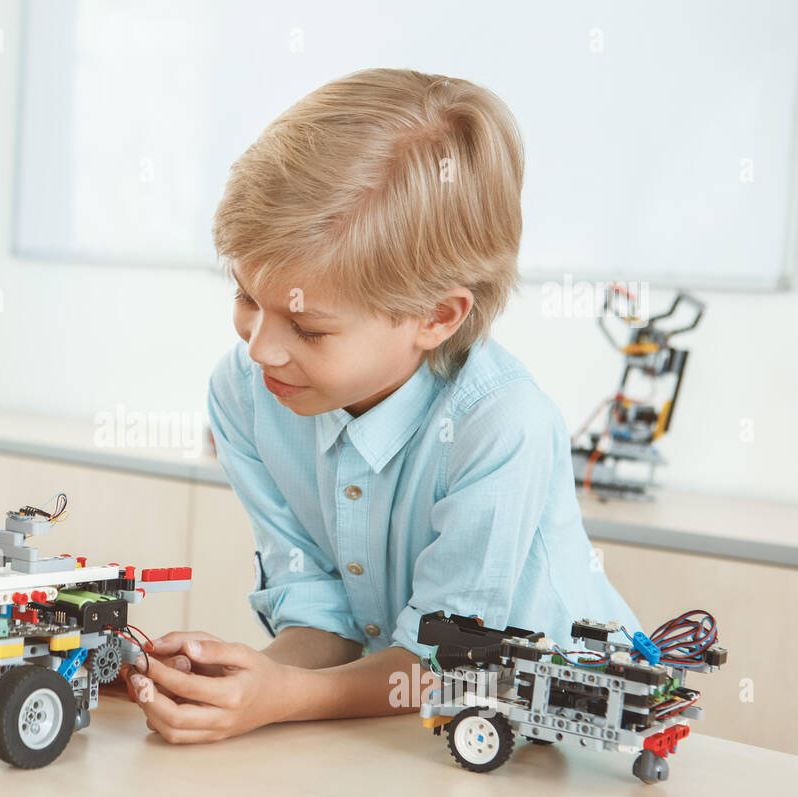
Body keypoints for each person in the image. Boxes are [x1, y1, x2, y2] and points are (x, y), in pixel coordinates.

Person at [125, 68, 642, 743]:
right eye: (247, 297)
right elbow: (320, 610)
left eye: (308, 328)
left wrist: (285, 697)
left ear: (437, 316)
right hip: (409, 733)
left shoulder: (502, 426)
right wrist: (248, 684)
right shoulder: (246, 395)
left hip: (546, 743)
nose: (260, 348)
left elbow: (444, 661)